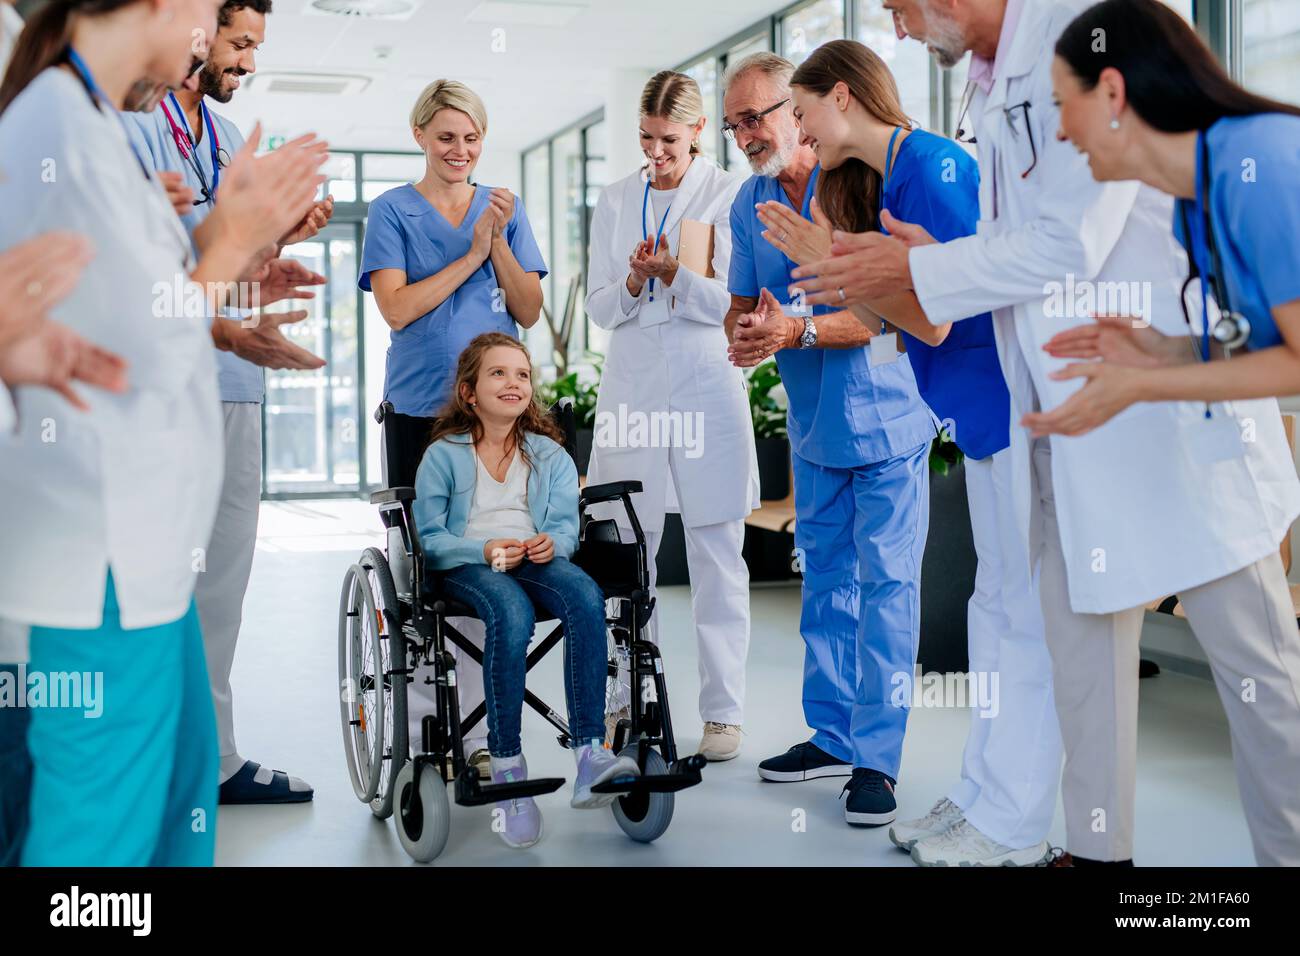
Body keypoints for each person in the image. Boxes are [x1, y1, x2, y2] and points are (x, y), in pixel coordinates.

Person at [795, 0, 1300, 866]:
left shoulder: (1096, 37)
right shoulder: (1004, 81)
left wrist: (915, 265)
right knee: (1082, 668)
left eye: (898, 3)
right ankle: (1099, 857)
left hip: (1182, 435)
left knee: (1260, 684)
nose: (896, 19)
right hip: (1070, 420)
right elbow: (1028, 243)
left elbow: (1070, 242)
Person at [0, 0, 326, 864]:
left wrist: (227, 247)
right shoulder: (55, 130)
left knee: (177, 795)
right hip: (95, 551)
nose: (204, 32)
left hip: (141, 553)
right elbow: (124, 350)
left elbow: (142, 305)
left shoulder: (96, 129)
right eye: (200, 10)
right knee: (97, 837)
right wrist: (227, 244)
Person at [758, 37, 1058, 866]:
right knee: (991, 615)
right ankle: (979, 798)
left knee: (1010, 622)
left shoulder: (933, 165)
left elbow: (952, 313)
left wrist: (836, 269)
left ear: (844, 95)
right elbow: (901, 320)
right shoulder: (862, 181)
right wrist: (838, 274)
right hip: (965, 417)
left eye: (804, 107)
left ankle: (1009, 819)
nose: (799, 127)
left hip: (1003, 411)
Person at [122, 0, 329, 806]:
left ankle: (212, 758)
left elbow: (225, 259)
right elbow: (145, 263)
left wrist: (280, 238)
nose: (247, 61)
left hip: (233, 383)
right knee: (153, 581)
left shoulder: (216, 137)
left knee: (220, 582)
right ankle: (153, 760)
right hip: (167, 381)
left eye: (255, 47)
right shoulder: (140, 123)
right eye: (240, 42)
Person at [722, 52, 936, 828]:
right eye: (734, 123)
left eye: (757, 116)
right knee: (827, 588)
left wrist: (797, 328)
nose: (744, 135)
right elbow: (745, 302)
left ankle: (877, 759)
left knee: (887, 590)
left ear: (800, 108)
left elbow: (892, 312)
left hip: (887, 420)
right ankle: (835, 733)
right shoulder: (750, 203)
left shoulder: (856, 183)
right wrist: (749, 333)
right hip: (814, 429)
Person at [361, 79, 547, 773]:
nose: (460, 150)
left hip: (491, 422)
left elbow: (527, 309)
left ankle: (473, 734)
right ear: (420, 137)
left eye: (471, 138)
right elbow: (398, 309)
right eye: (446, 137)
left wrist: (496, 242)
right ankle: (421, 733)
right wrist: (470, 253)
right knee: (420, 581)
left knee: (483, 566)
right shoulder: (391, 211)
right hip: (417, 417)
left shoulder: (505, 207)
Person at [585, 70, 758, 761]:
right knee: (626, 548)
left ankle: (723, 712)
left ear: (695, 133)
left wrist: (673, 278)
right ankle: (624, 700)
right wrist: (631, 280)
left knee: (718, 548)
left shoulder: (729, 194)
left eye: (669, 142)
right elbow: (599, 308)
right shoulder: (614, 199)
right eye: (646, 140)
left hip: (704, 381)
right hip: (633, 383)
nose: (655, 154)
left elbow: (735, 303)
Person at [411, 332, 640, 849]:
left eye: (521, 374)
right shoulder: (443, 455)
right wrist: (486, 547)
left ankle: (589, 756)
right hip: (470, 565)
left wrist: (549, 545)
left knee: (584, 595)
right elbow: (432, 540)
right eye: (498, 373)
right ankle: (509, 768)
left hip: (533, 560)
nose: (513, 383)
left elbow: (564, 527)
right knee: (511, 612)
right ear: (469, 392)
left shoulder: (550, 455)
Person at [1029, 0, 1300, 435]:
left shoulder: (1257, 163)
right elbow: (1270, 346)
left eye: (1060, 102)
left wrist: (1143, 385)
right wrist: (1168, 351)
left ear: (1112, 93)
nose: (1059, 130)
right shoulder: (1193, 202)